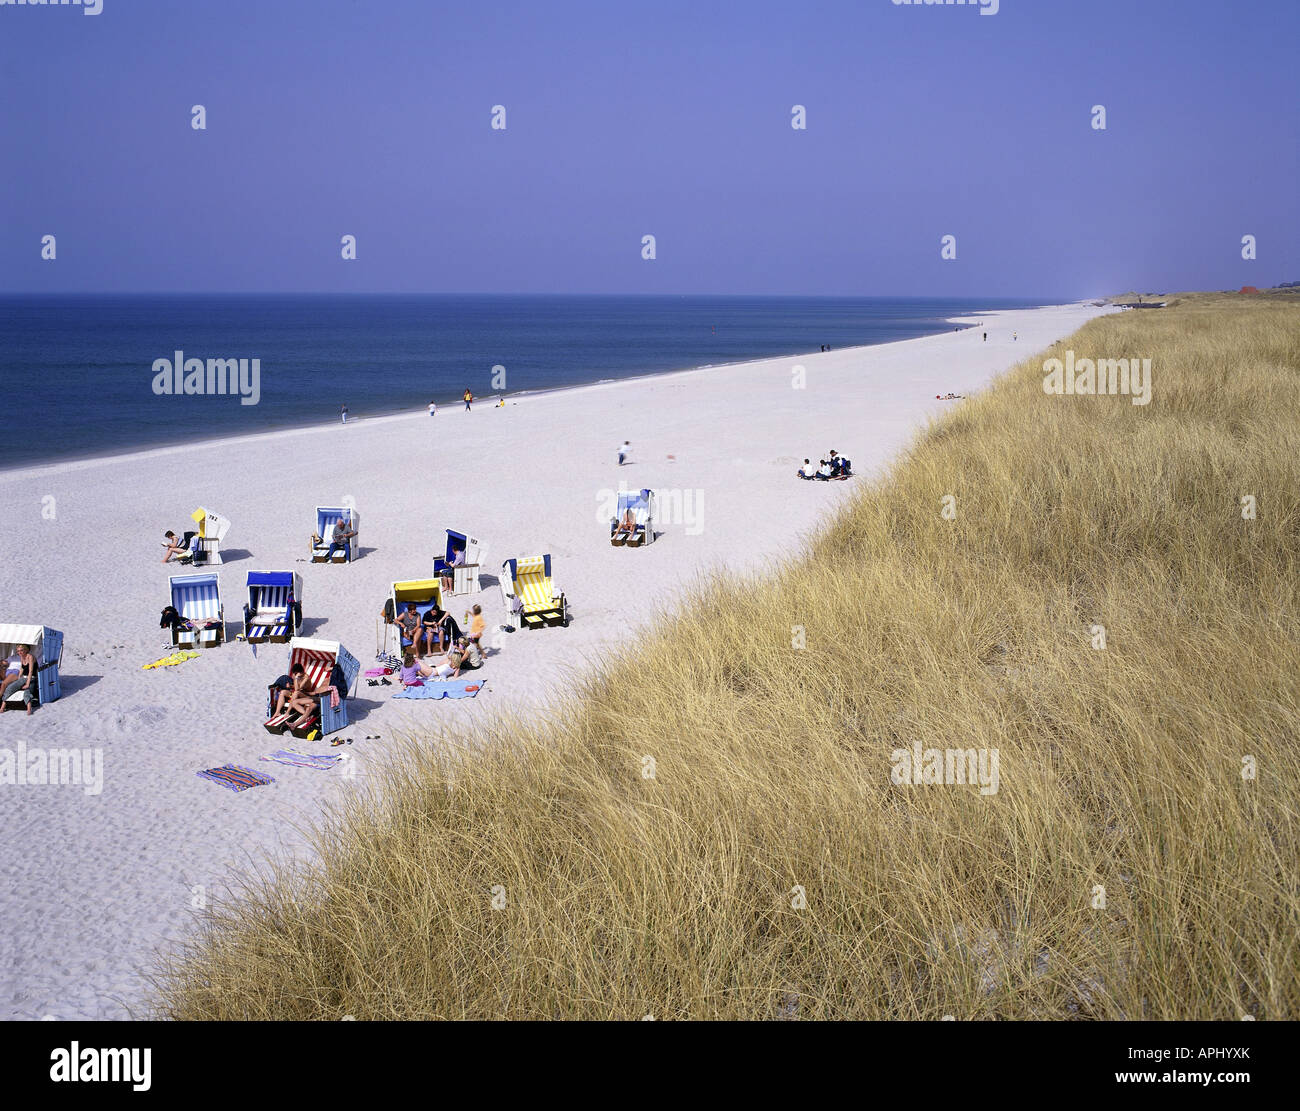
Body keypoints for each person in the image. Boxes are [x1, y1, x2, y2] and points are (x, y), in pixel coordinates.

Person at [0, 645, 38, 714]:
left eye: (21, 650)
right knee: (9, 688)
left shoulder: (30, 657)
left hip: (31, 678)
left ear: (26, 650)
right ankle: (2, 707)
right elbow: (21, 668)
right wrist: (19, 678)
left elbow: (31, 671)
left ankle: (29, 709)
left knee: (27, 692)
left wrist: (27, 683)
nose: (19, 652)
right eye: (18, 651)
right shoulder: (21, 657)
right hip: (23, 678)